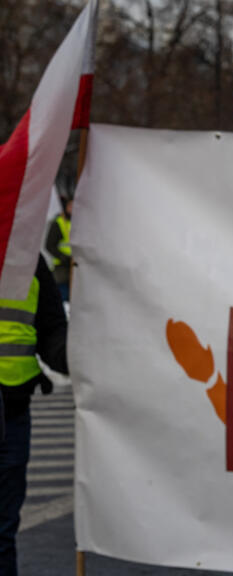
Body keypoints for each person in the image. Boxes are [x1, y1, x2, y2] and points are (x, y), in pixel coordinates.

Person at [0, 255, 69, 574]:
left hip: (12, 413)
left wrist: (81, 354)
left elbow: (53, 331)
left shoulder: (26, 255)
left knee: (3, 534)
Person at [44, 197, 72, 302]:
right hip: (61, 268)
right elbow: (49, 245)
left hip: (76, 268)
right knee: (62, 298)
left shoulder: (79, 223)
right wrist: (64, 258)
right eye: (70, 205)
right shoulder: (58, 223)